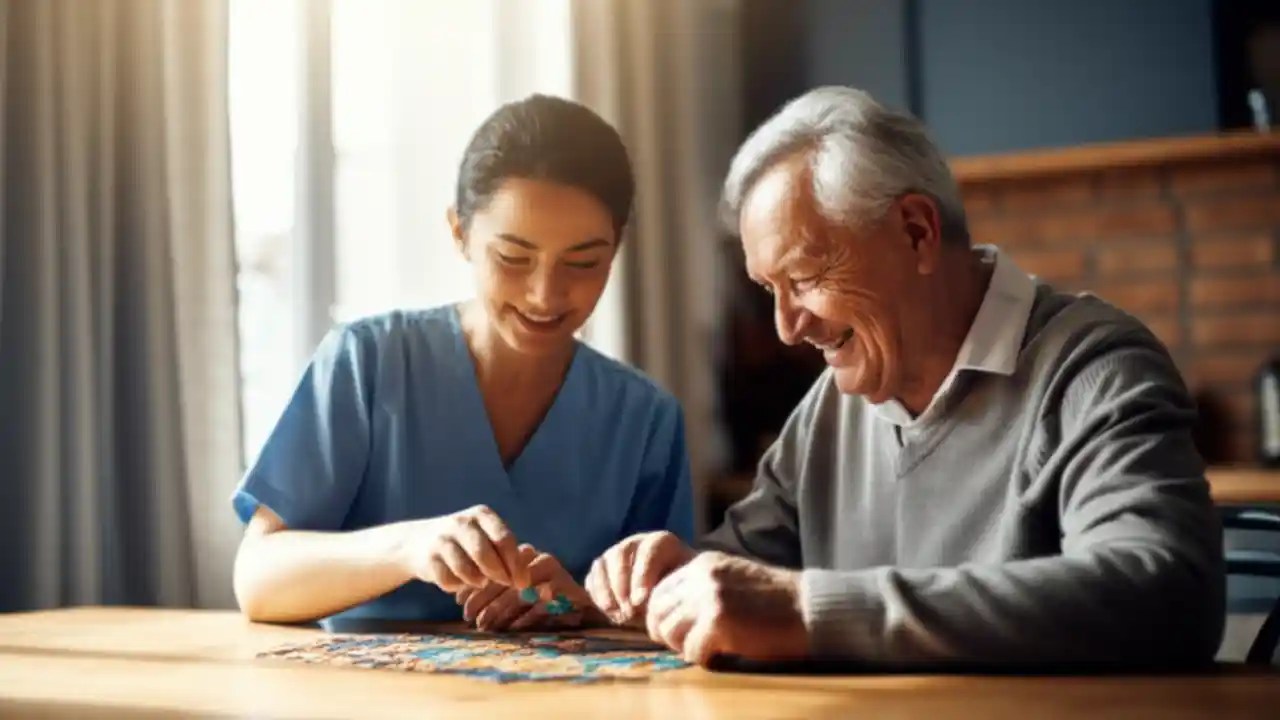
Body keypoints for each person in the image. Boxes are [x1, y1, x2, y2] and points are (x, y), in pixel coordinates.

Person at [586, 86, 1225, 668]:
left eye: (804, 278)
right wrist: (662, 579)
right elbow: (747, 576)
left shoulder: (1093, 368)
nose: (786, 327)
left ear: (916, 233)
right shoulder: (829, 407)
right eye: (768, 289)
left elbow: (1165, 592)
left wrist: (813, 612)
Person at [231, 95, 693, 632]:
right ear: (459, 234)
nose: (546, 295)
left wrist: (580, 608)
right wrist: (411, 546)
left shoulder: (644, 419)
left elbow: (666, 615)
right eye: (513, 259)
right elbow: (257, 579)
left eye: (584, 262)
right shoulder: (368, 364)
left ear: (615, 251)